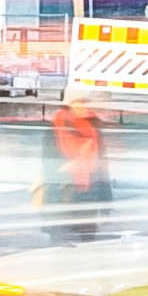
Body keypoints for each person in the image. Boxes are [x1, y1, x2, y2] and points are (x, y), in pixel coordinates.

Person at [39, 100, 112, 239]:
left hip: (88, 196)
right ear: (69, 106)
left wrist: (106, 201)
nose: (84, 107)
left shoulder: (93, 128)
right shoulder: (55, 128)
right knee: (59, 245)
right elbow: (49, 166)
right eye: (79, 102)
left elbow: (102, 166)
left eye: (85, 102)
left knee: (86, 246)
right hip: (63, 196)